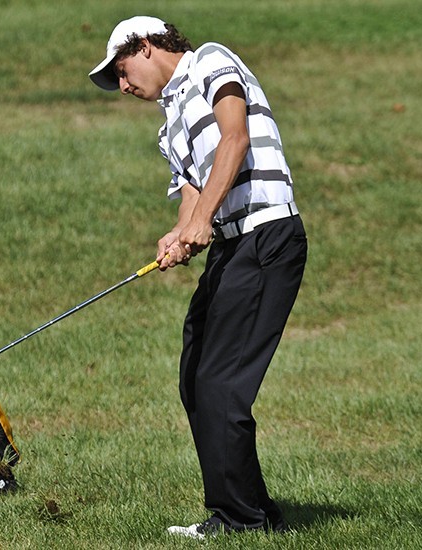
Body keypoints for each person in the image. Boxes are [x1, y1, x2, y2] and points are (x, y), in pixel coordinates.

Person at [89, 16, 308, 538]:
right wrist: (178, 235)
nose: (122, 87)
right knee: (196, 379)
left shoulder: (211, 60)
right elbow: (193, 201)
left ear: (145, 47)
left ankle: (239, 519)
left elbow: (236, 138)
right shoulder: (171, 124)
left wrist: (202, 219)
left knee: (221, 384)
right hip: (231, 248)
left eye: (121, 72)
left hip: (266, 237)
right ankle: (255, 511)